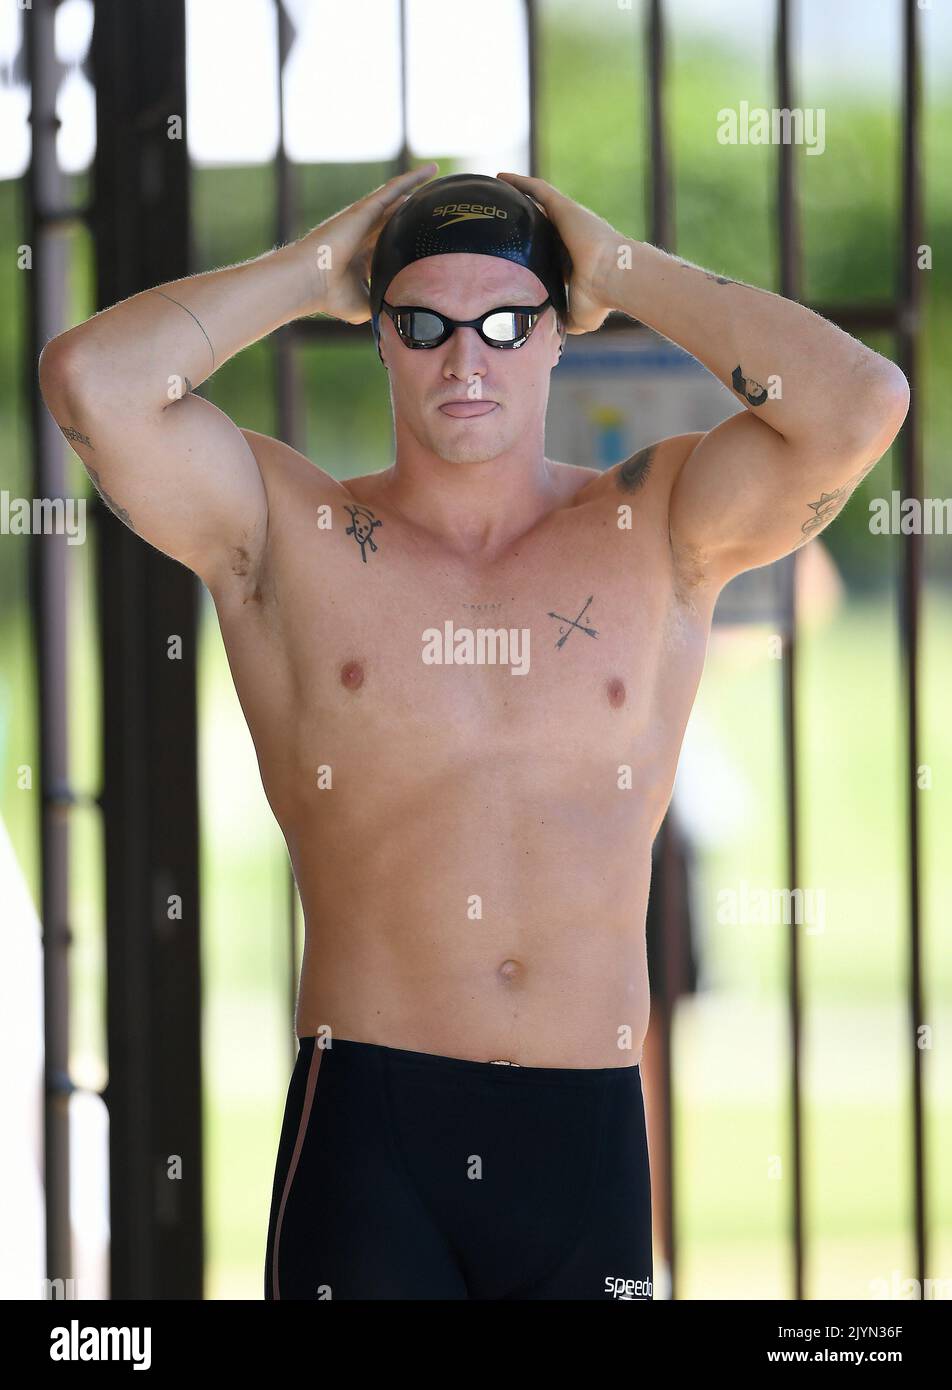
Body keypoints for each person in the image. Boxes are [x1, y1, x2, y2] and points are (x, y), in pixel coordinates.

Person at [37, 163, 908, 1300]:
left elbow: (861, 403)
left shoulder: (658, 525)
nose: (466, 359)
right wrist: (313, 266)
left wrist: (624, 267)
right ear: (380, 334)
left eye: (506, 322)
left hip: (586, 1129)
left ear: (557, 333)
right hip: (372, 1128)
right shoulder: (286, 533)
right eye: (425, 323)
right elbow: (91, 379)